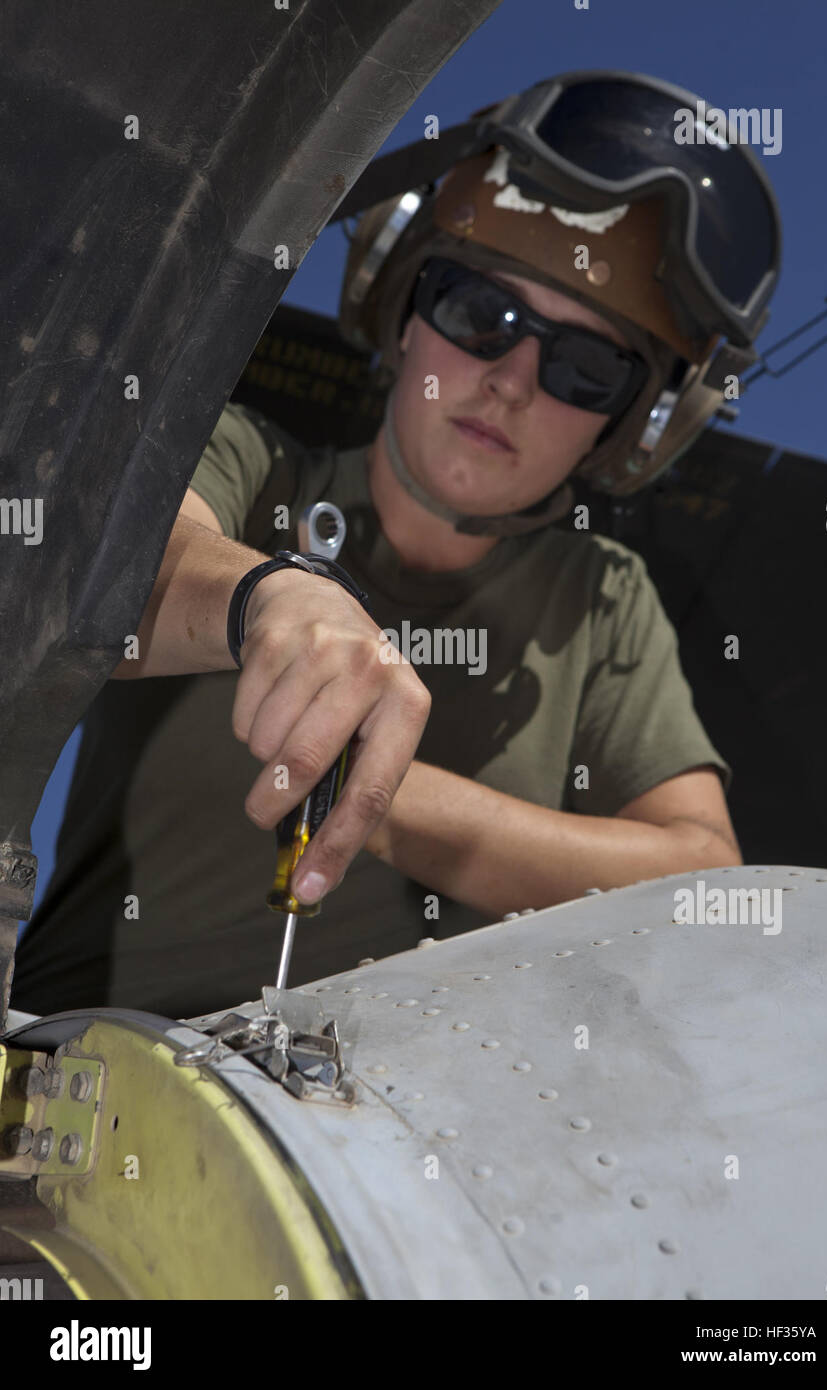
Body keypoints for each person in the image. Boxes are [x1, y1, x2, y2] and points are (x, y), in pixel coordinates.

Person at [12, 71, 781, 1021]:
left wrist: (381, 790)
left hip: (409, 1137)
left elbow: (701, 879)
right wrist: (268, 600)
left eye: (586, 366)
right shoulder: (252, 464)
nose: (512, 379)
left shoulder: (601, 599)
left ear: (631, 431)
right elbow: (88, 571)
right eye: (480, 313)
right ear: (401, 308)